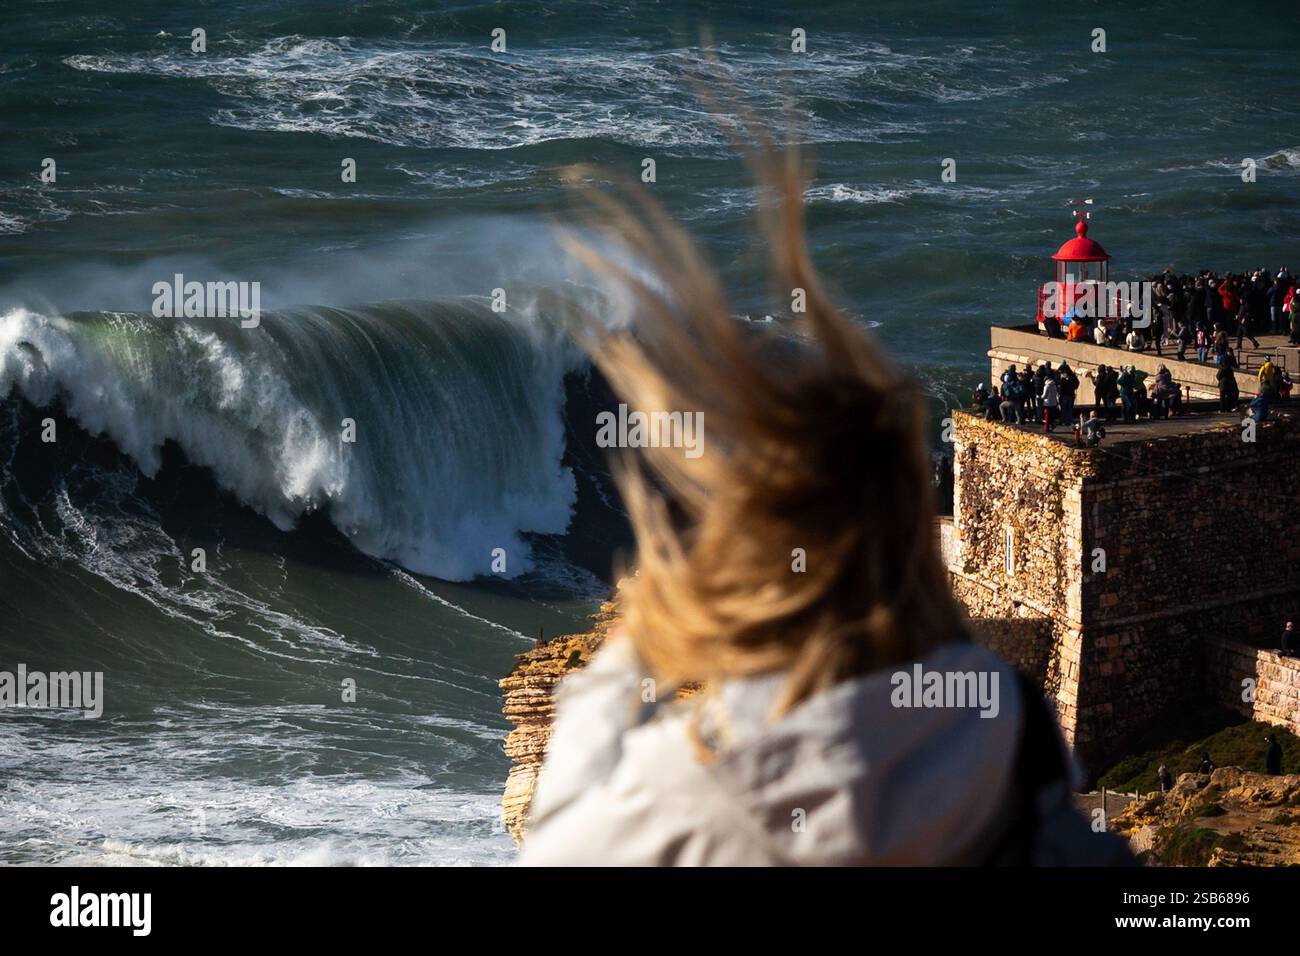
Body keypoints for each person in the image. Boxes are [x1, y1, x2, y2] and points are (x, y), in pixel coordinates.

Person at [520, 144, 1132, 866]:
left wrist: (641, 636)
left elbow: (557, 842)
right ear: (907, 531)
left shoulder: (673, 802)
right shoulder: (1012, 739)